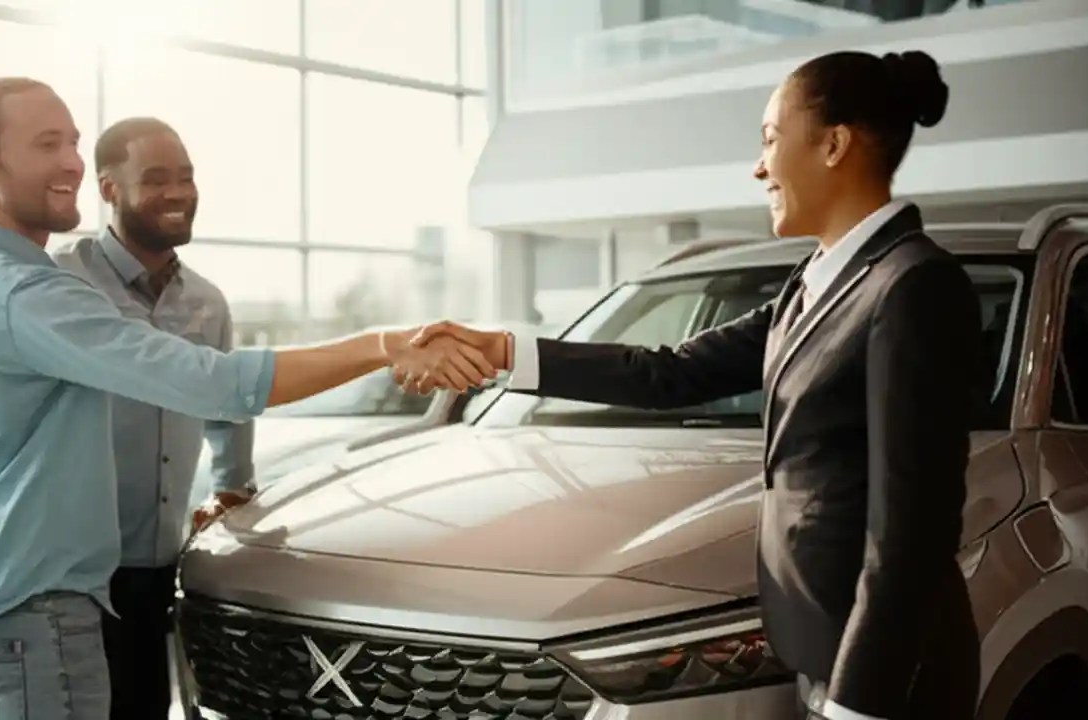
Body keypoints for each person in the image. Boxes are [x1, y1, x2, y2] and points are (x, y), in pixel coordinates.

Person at [412, 51, 983, 720]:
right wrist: (506, 350)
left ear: (833, 145)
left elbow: (909, 539)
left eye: (770, 139)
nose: (759, 166)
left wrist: (857, 707)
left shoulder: (913, 286)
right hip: (822, 655)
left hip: (887, 683)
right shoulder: (815, 284)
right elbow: (670, 372)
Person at [0, 76, 493, 720]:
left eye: (73, 143)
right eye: (46, 144)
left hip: (24, 598)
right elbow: (219, 383)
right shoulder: (34, 293)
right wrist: (383, 344)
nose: (71, 163)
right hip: (37, 609)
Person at [48, 117, 251, 720]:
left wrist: (232, 488)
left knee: (143, 707)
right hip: (72, 567)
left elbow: (228, 406)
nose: (178, 193)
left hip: (158, 566)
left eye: (185, 177)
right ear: (108, 188)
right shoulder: (62, 282)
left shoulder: (207, 302)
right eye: (156, 178)